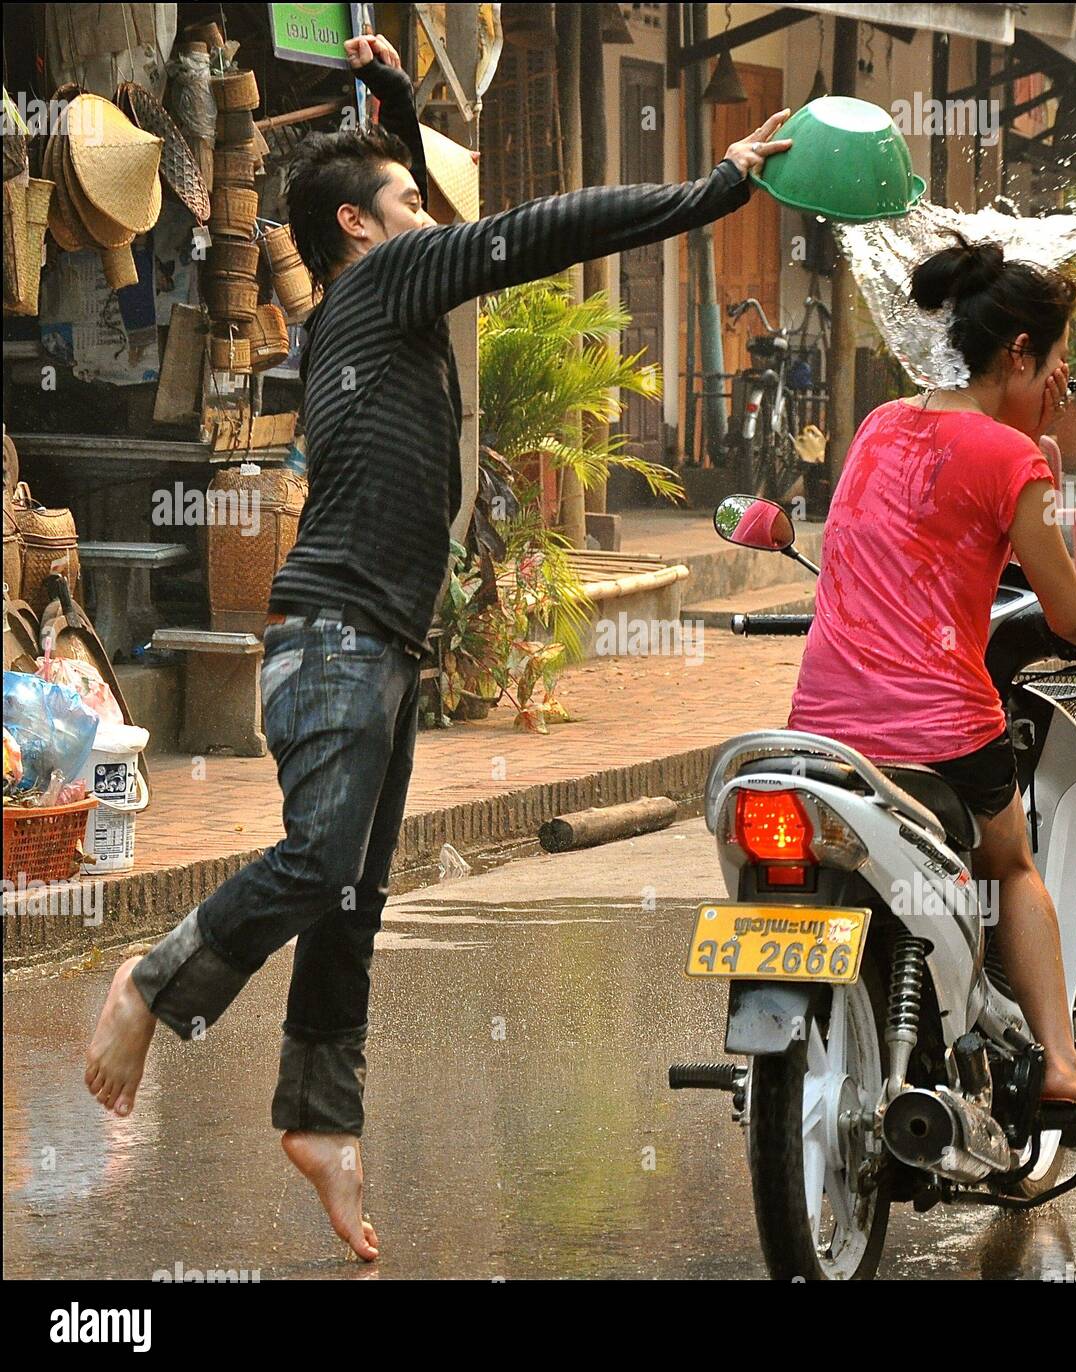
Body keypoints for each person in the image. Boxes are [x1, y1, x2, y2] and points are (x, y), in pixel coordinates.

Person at [84, 31, 793, 1260]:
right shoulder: (381, 281)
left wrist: (400, 113)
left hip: (377, 645)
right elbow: (544, 229)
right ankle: (155, 983)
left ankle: (320, 1119)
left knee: (352, 891)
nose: (436, 214)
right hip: (339, 640)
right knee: (318, 867)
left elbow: (417, 226)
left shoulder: (375, 287)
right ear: (363, 228)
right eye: (412, 198)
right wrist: (712, 189)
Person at [788, 236, 1076, 1150]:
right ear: (1020, 355)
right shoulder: (1014, 462)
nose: (1065, 387)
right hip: (941, 729)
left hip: (822, 726)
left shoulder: (879, 425)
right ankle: (1063, 1070)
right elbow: (1070, 612)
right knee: (1012, 864)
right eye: (1059, 365)